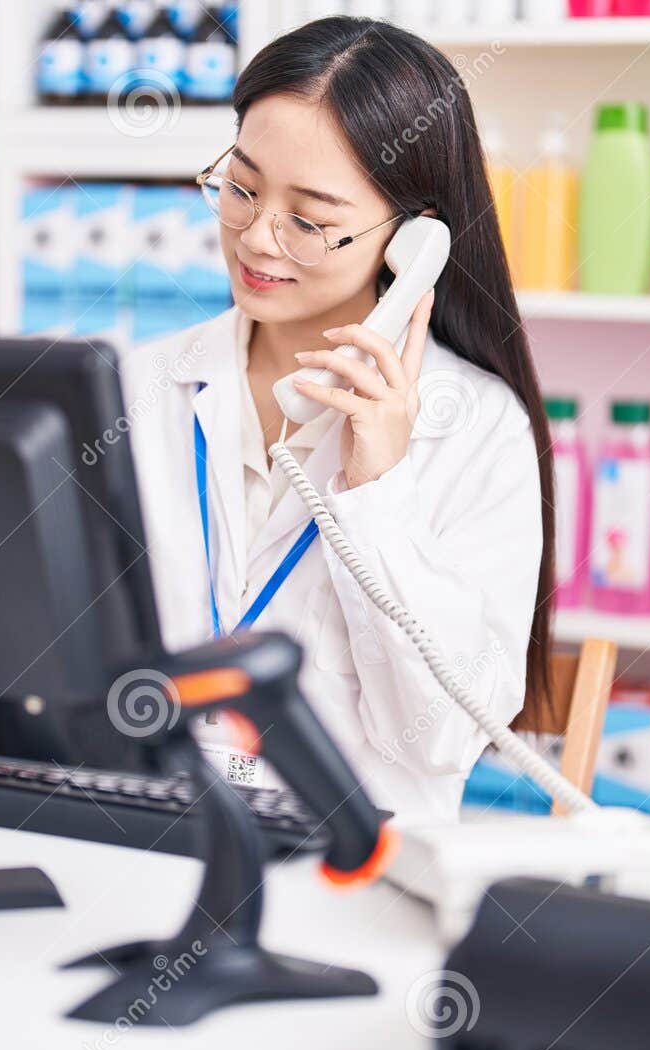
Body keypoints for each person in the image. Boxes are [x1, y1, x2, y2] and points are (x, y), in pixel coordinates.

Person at [120, 16, 554, 824]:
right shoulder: (138, 386)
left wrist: (379, 483)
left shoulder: (476, 428)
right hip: (137, 840)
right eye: (242, 186)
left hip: (355, 876)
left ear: (413, 241)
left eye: (310, 219)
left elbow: (440, 737)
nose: (256, 237)